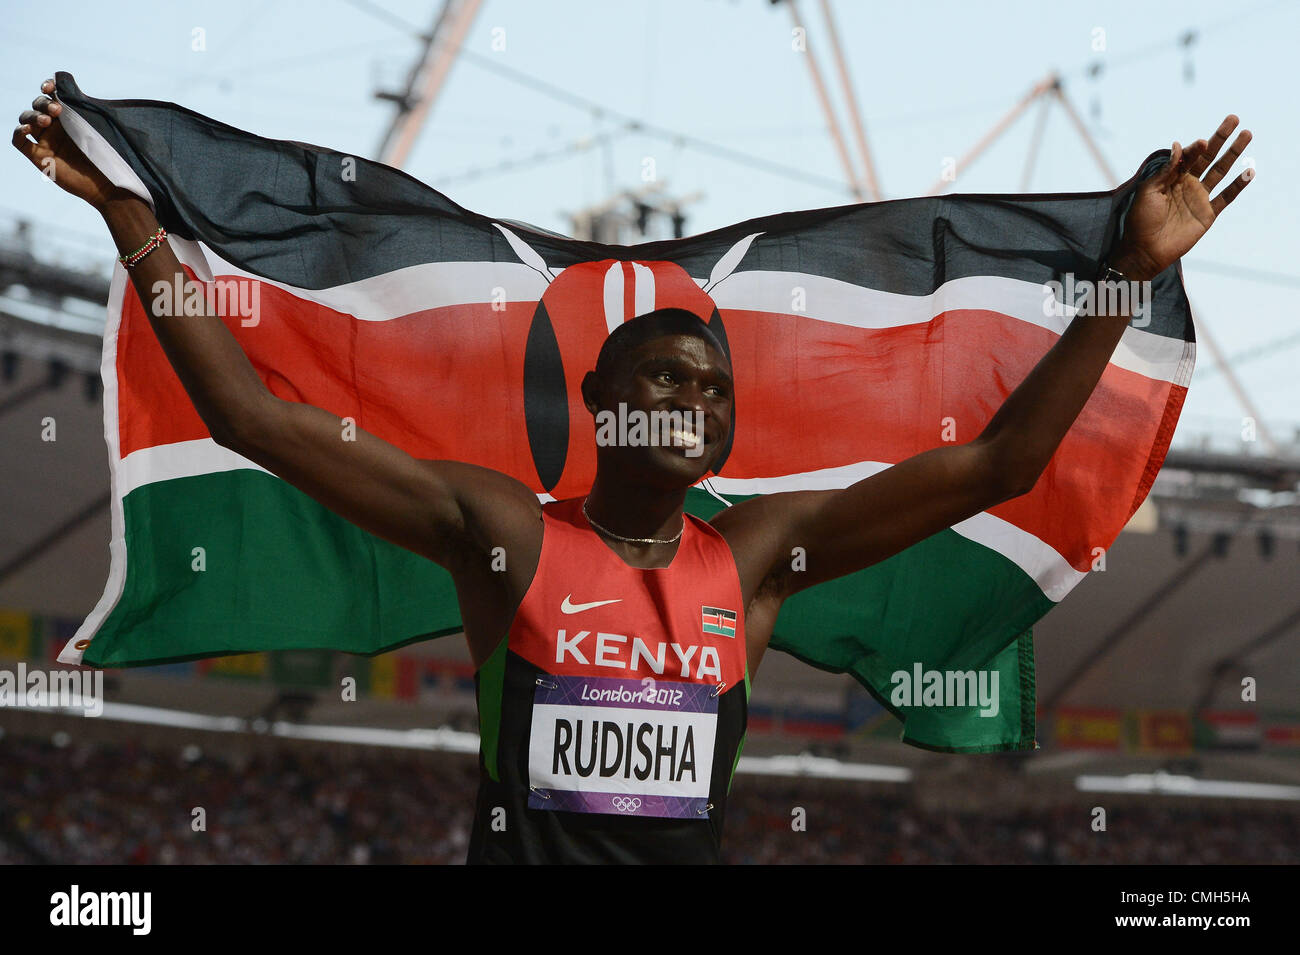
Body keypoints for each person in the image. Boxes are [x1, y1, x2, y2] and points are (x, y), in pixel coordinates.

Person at [13, 78, 1253, 863]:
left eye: (712, 390)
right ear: (599, 404)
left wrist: (1123, 278)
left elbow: (996, 462)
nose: (692, 404)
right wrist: (134, 226)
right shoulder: (505, 531)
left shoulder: (754, 558)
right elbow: (251, 418)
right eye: (663, 379)